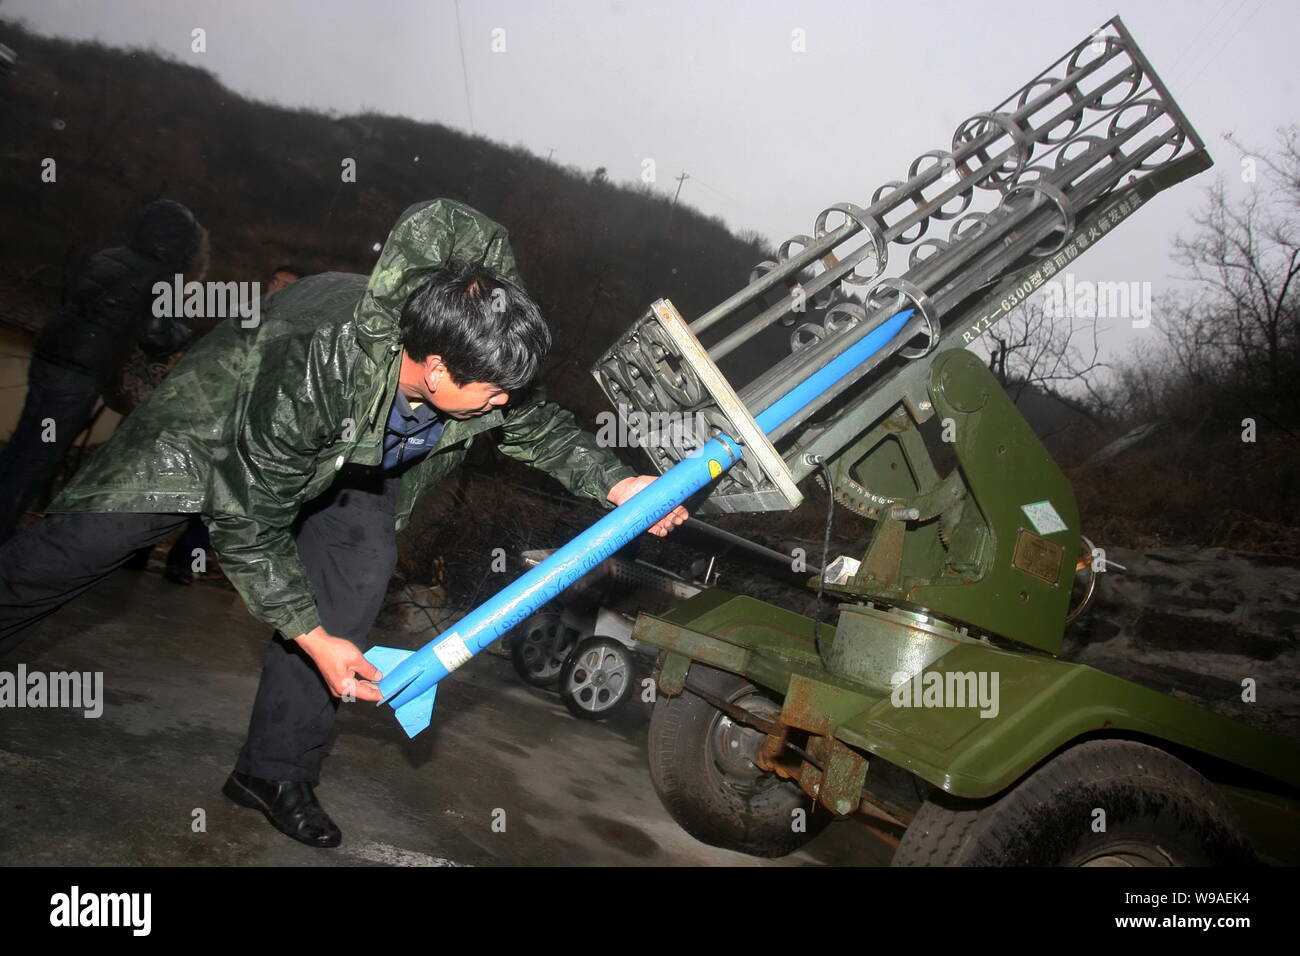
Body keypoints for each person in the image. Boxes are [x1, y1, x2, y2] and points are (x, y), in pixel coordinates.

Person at [0, 198, 686, 848]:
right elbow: (249, 515)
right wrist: (308, 633)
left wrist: (618, 481)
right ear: (438, 369)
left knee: (357, 576)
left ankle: (272, 773)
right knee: (80, 547)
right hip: (213, 436)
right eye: (492, 392)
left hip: (349, 462)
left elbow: (537, 425)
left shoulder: (478, 353)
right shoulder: (320, 356)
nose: (502, 403)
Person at [0, 199, 206, 542]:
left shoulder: (108, 255)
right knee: (38, 456)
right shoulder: (162, 278)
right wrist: (183, 333)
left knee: (23, 442)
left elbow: (72, 295)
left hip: (50, 353)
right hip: (80, 371)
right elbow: (155, 334)